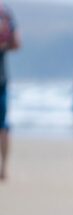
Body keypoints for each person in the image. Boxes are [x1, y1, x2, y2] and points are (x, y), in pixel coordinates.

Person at [0, 2, 21, 182]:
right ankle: (4, 169)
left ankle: (4, 168)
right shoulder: (6, 14)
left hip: (2, 79)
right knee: (3, 126)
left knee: (3, 126)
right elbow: (17, 44)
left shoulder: (5, 15)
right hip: (2, 79)